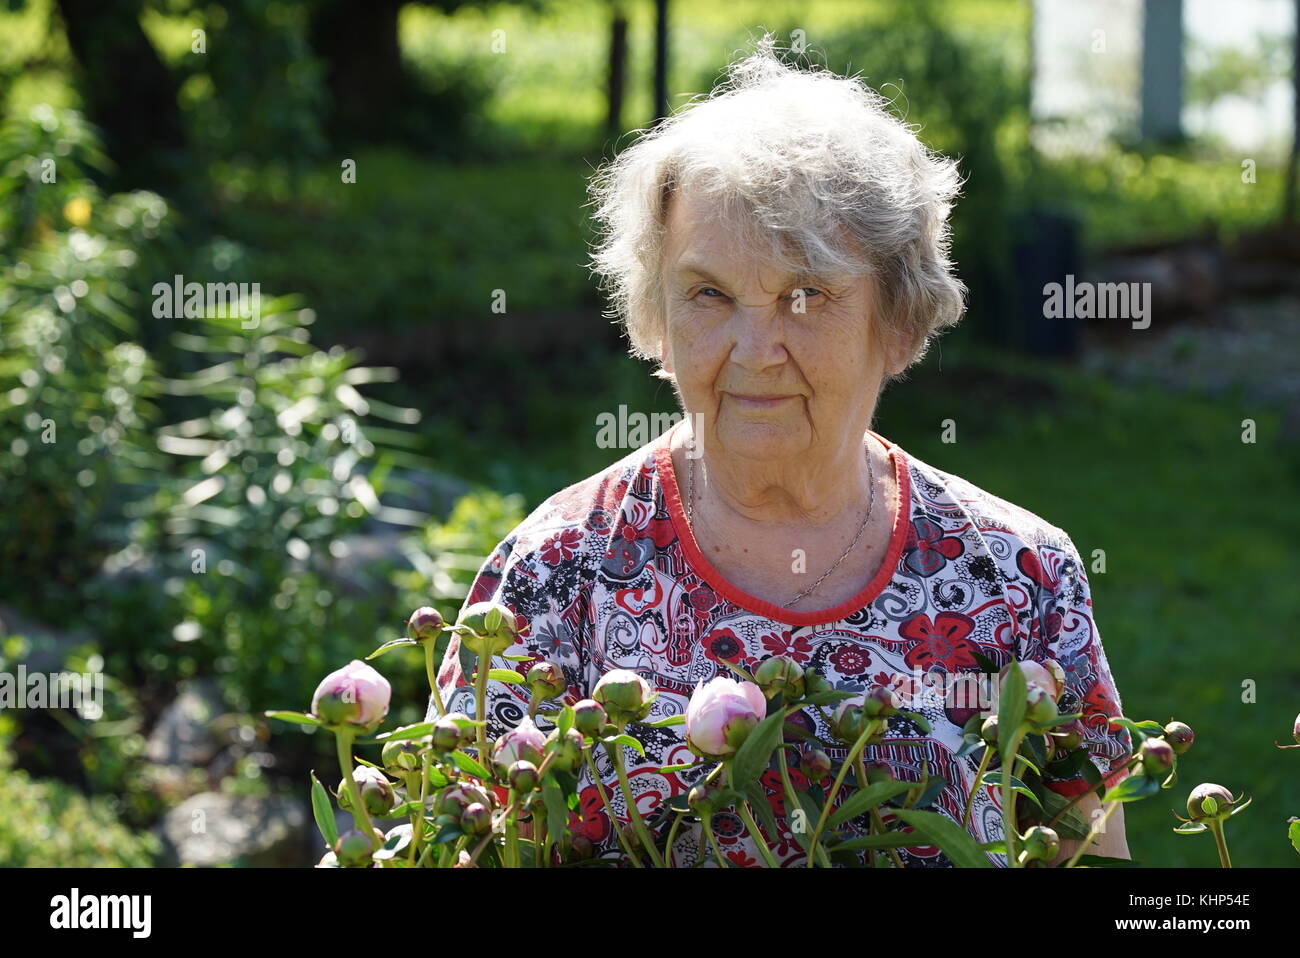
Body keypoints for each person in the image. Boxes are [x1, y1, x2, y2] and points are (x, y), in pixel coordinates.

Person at [428, 36, 1131, 867]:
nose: (755, 348)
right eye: (709, 294)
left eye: (806, 297)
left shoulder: (1018, 577)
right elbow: (452, 842)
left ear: (899, 321)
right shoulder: (560, 570)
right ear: (657, 313)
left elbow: (1089, 855)